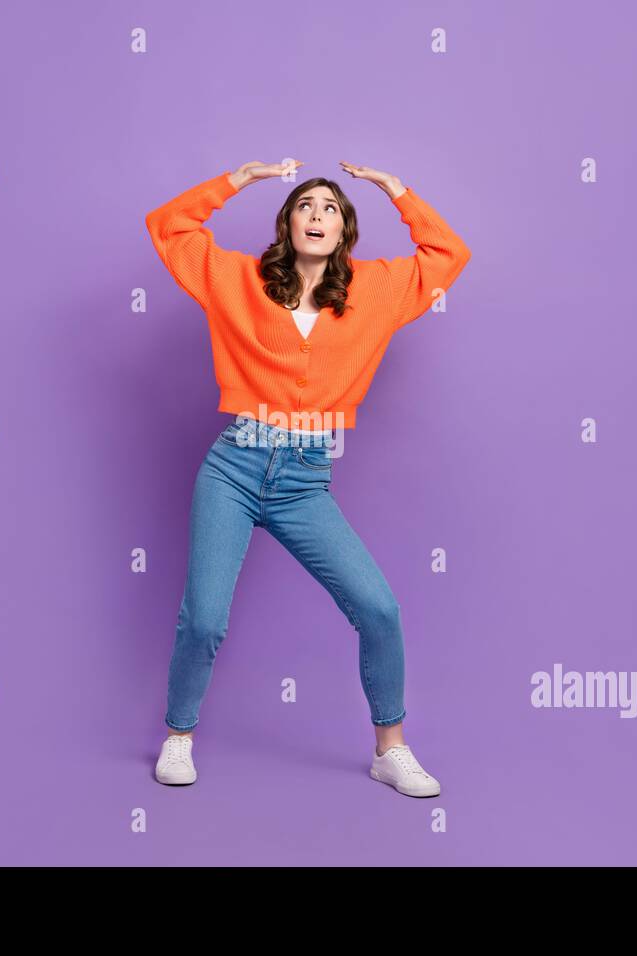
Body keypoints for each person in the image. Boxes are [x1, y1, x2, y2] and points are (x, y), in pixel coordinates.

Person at [144, 159, 471, 796]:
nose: (317, 214)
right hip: (234, 467)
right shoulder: (236, 279)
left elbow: (447, 253)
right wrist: (239, 178)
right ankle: (179, 736)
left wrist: (396, 191)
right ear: (287, 222)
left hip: (304, 481)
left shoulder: (375, 292)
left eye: (330, 208)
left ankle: (390, 750)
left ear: (345, 231)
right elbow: (169, 226)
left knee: (379, 609)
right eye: (305, 205)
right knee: (204, 620)